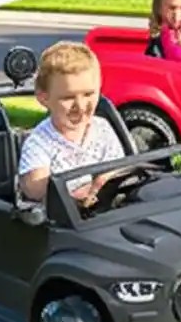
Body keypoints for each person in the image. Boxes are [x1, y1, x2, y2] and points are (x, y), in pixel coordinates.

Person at [17, 40, 126, 204]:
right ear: (44, 98)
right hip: (61, 216)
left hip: (106, 210)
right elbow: (36, 189)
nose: (80, 106)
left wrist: (105, 181)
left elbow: (120, 171)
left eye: (88, 94)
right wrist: (80, 193)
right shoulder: (39, 142)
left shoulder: (102, 129)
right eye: (68, 98)